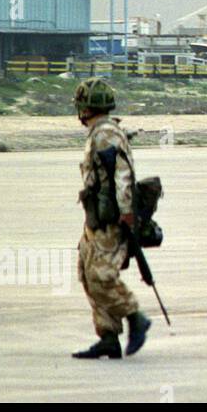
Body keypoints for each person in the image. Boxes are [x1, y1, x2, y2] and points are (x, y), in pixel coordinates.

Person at [72, 78, 151, 359]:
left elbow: (122, 175)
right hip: (96, 217)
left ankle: (134, 315)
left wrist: (126, 214)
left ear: (85, 107)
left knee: (101, 275)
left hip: (111, 218)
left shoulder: (106, 134)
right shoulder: (99, 132)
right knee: (86, 272)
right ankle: (108, 335)